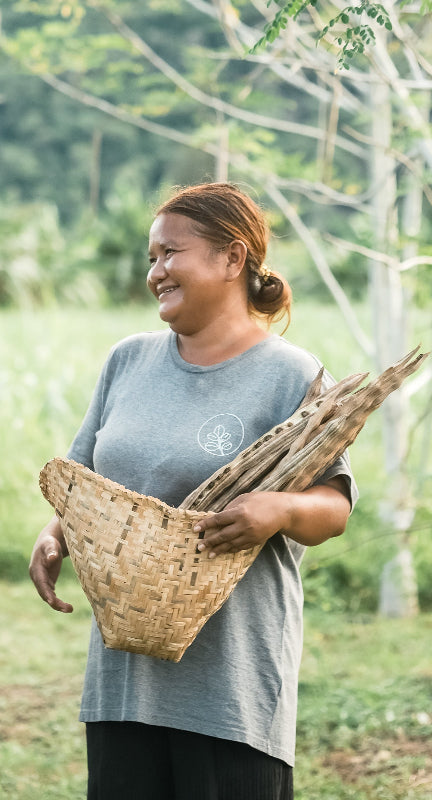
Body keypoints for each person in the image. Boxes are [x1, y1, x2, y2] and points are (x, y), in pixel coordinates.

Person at [29, 182, 357, 800]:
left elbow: (334, 508)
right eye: (152, 257)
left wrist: (280, 509)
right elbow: (83, 484)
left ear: (232, 259)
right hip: (124, 682)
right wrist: (54, 535)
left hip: (228, 691)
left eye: (170, 253)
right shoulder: (127, 360)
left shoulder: (292, 376)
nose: (156, 272)